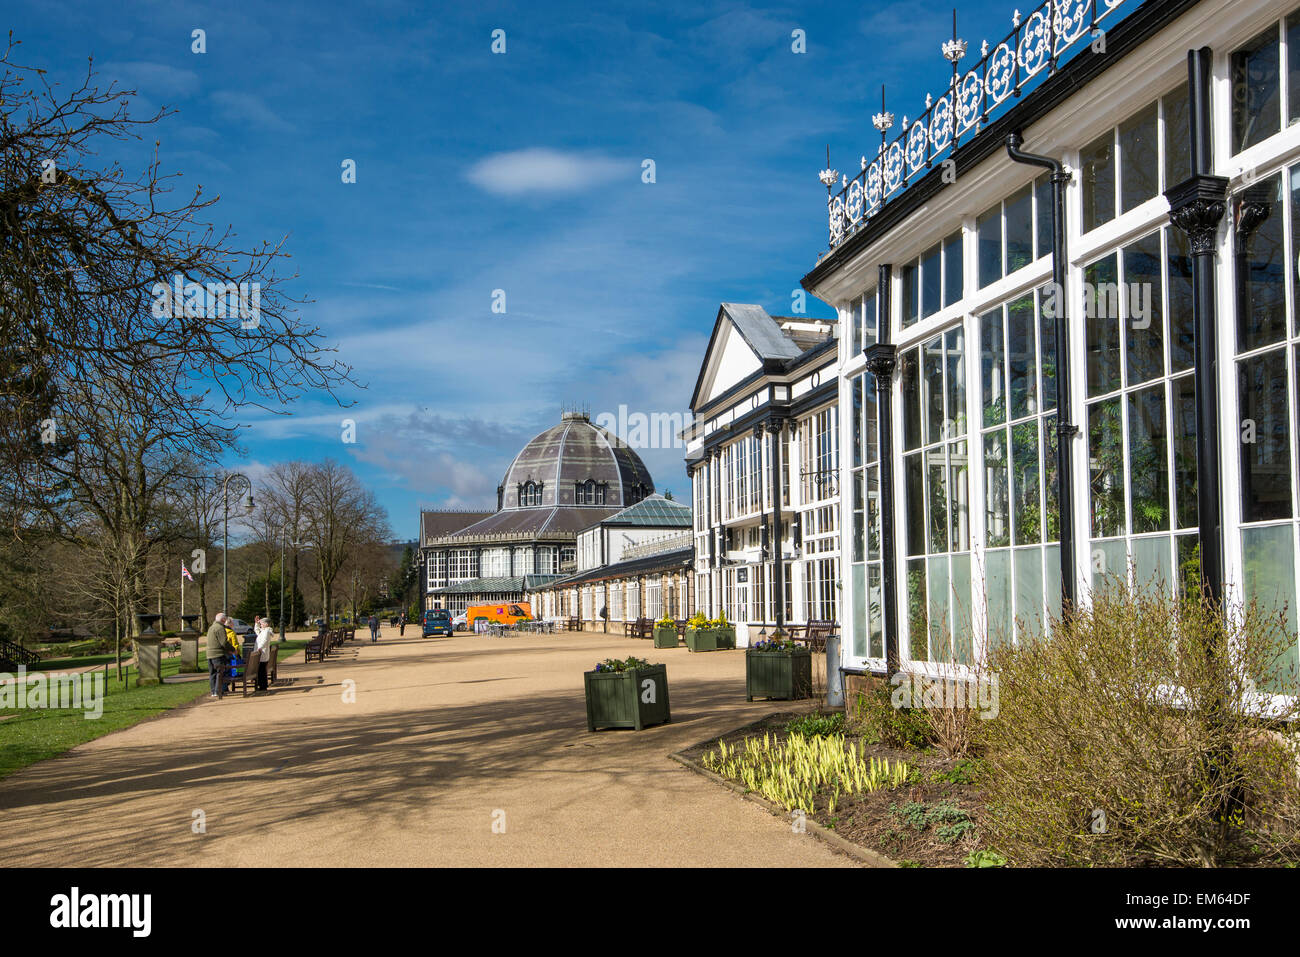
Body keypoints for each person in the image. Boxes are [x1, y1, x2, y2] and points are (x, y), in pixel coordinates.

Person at [205, 613, 235, 699]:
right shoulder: (220, 628)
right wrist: (233, 650)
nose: (225, 621)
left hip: (209, 654)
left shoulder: (211, 627)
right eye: (225, 620)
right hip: (218, 654)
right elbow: (224, 642)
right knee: (220, 672)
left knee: (212, 673)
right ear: (222, 620)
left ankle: (213, 691)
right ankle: (218, 691)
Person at [253, 617, 274, 692]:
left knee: (261, 670)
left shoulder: (266, 632)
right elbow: (257, 631)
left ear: (266, 624)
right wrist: (256, 623)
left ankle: (263, 685)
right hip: (262, 653)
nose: (260, 625)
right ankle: (262, 685)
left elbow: (264, 640)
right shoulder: (264, 631)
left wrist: (259, 648)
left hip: (262, 653)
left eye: (261, 623)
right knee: (261, 670)